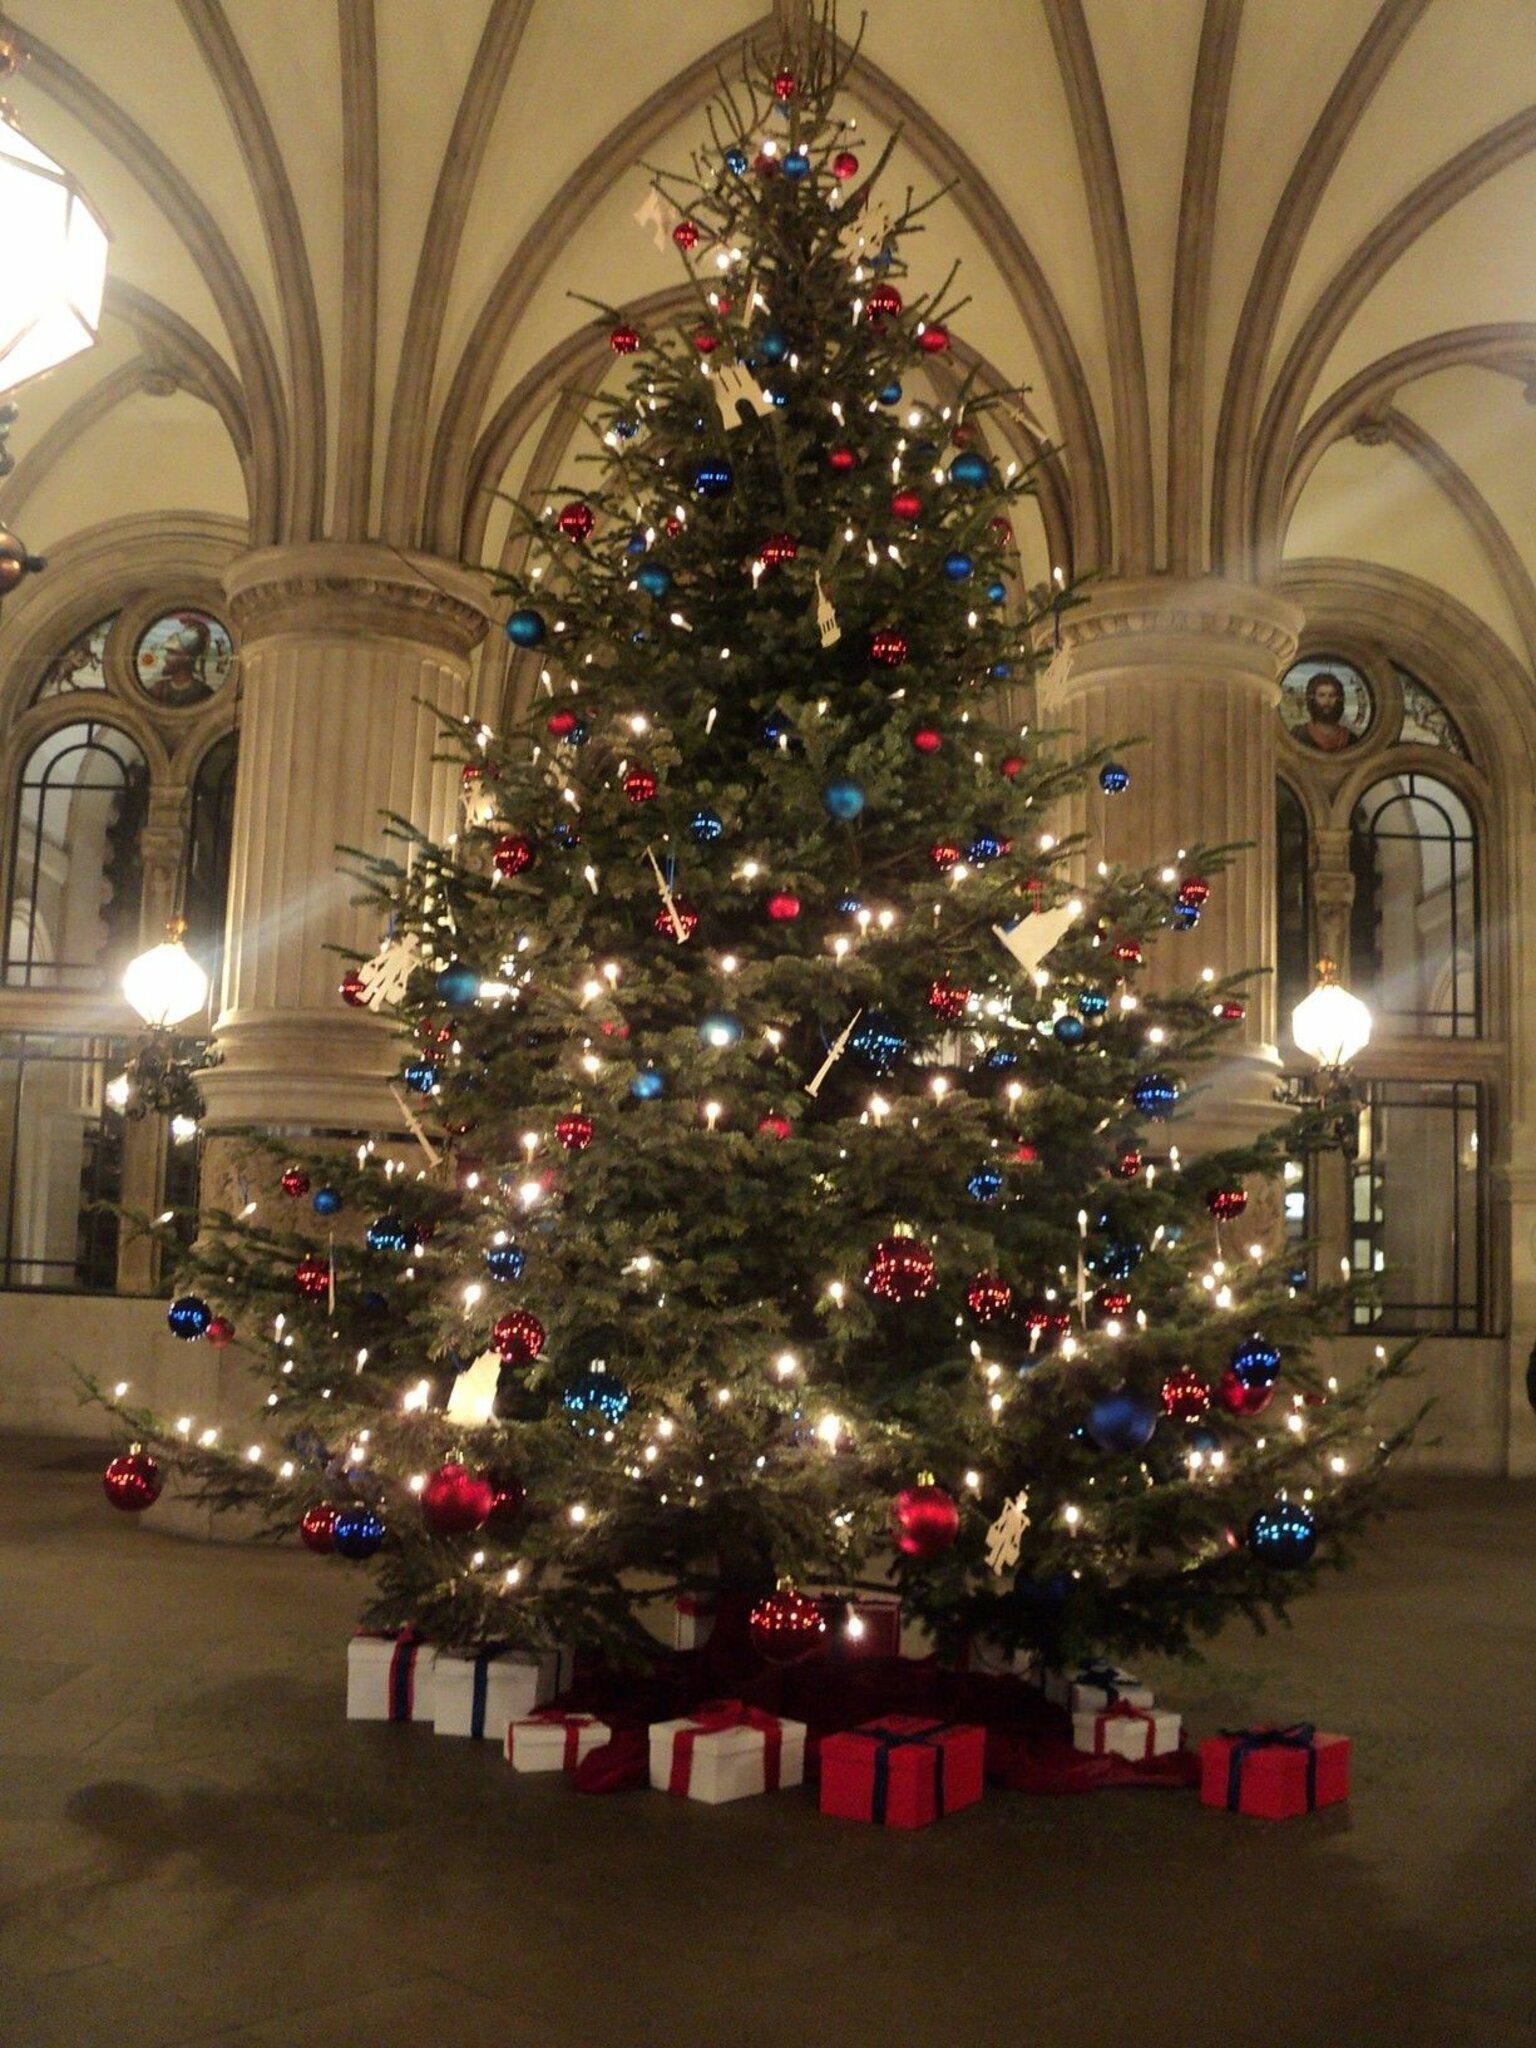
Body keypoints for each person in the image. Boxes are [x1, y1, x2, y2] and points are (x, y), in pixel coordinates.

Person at [1298, 670, 1358, 752]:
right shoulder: (1299, 735)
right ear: (1312, 699)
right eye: (1321, 695)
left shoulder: (1351, 739)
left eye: (1332, 695)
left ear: (1339, 699)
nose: (1327, 700)